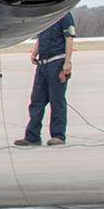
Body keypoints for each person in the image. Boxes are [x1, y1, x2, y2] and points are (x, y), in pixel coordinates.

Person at [15, 10, 77, 147]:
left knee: (57, 101)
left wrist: (67, 63)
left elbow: (69, 39)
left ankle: (58, 135)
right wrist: (34, 53)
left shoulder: (64, 16)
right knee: (36, 100)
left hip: (57, 63)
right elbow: (40, 37)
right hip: (43, 65)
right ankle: (32, 136)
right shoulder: (45, 16)